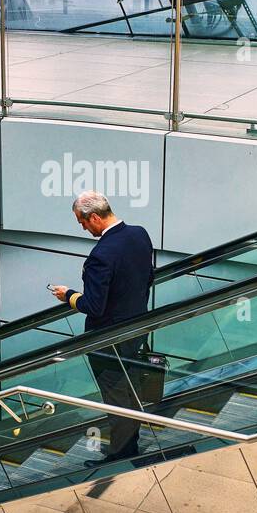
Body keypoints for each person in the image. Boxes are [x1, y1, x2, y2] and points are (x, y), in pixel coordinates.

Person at [50, 190, 154, 464]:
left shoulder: (101, 255)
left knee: (116, 396)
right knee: (130, 388)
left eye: (82, 222)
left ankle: (122, 453)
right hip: (137, 328)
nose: (83, 227)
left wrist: (68, 295)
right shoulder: (139, 234)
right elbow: (147, 279)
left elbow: (94, 306)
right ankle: (130, 440)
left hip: (108, 340)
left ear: (94, 217)